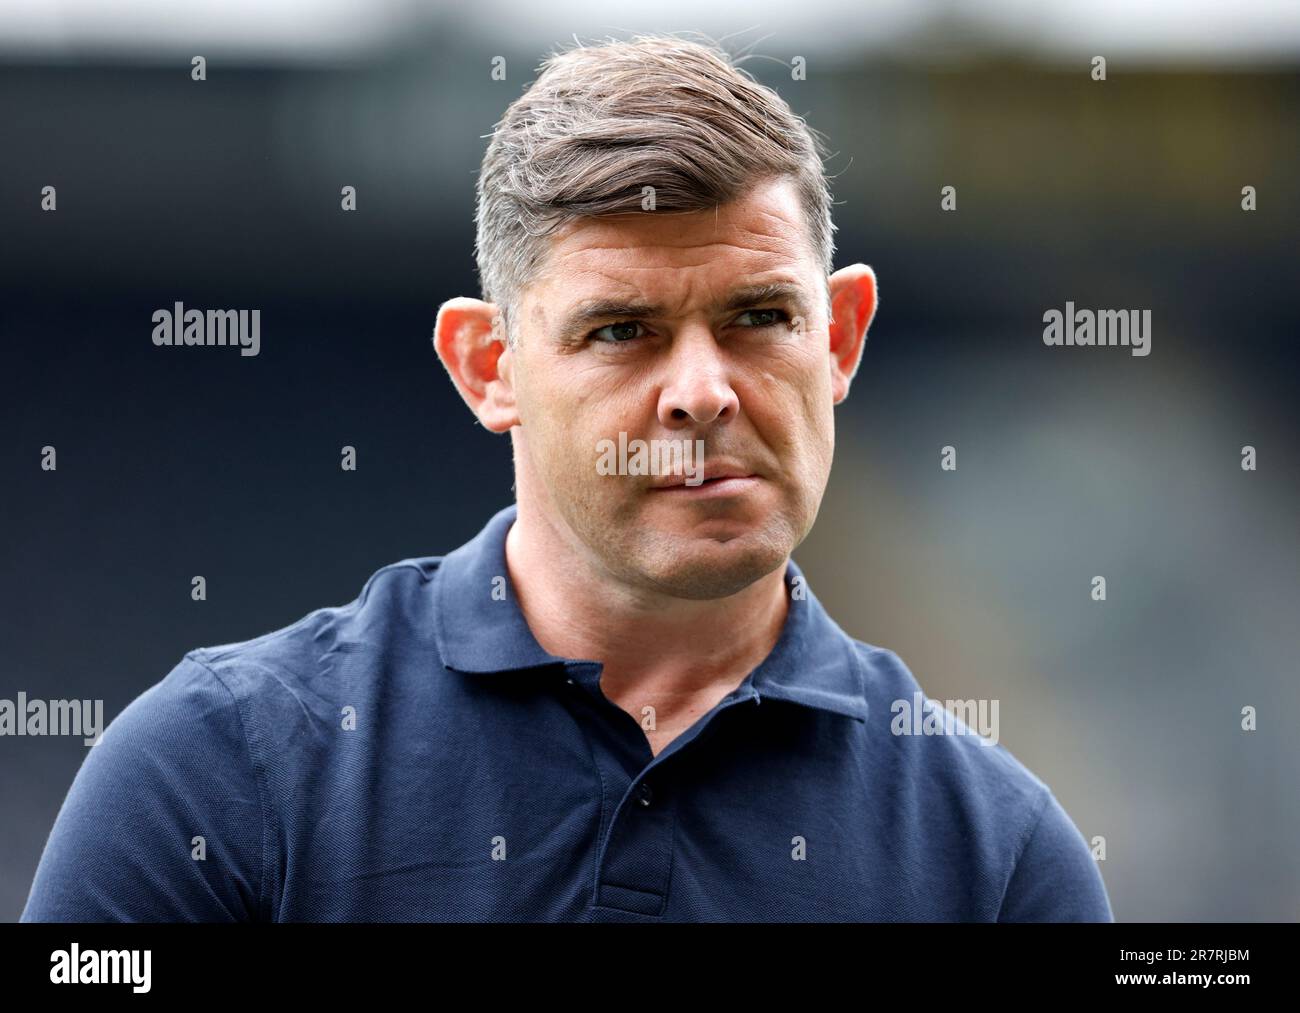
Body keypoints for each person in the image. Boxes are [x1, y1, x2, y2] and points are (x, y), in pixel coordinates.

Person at [22, 33, 1112, 922]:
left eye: (760, 317)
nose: (702, 392)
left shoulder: (996, 859)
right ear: (488, 366)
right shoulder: (216, 772)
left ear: (839, 337)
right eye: (622, 329)